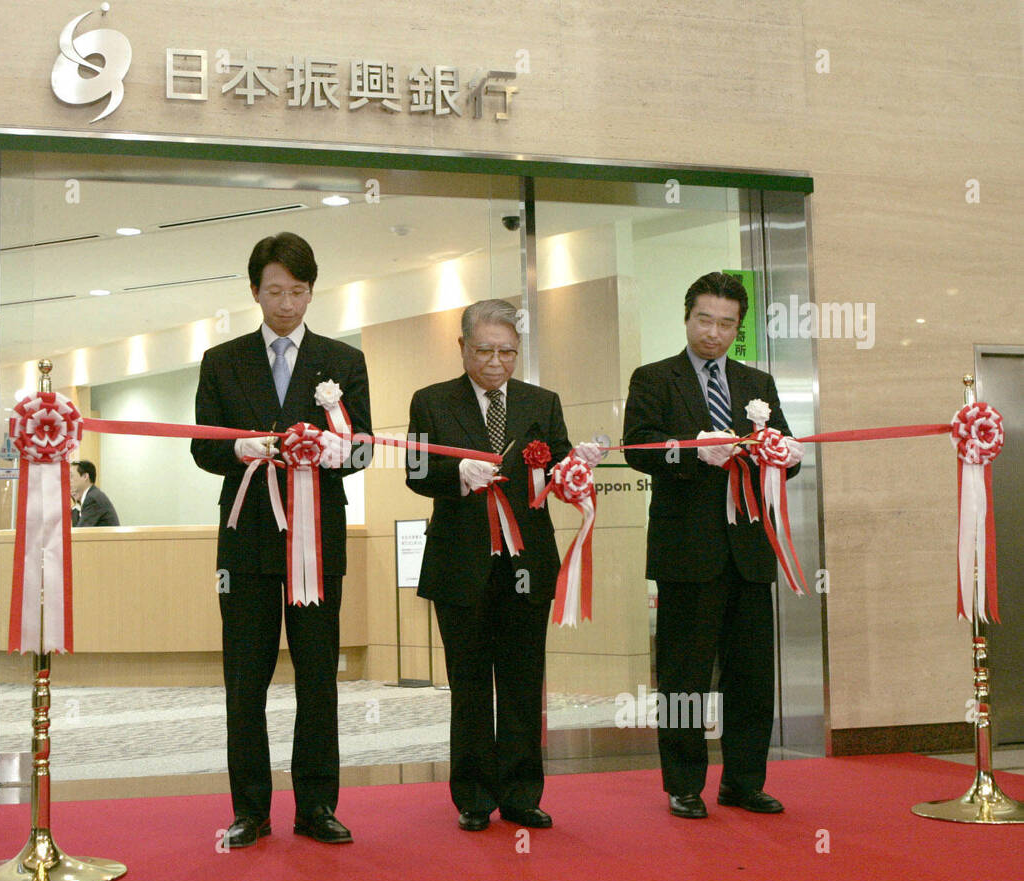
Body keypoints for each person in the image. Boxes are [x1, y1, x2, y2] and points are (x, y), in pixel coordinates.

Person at [191, 232, 371, 848]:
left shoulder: (342, 361)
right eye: (275, 291)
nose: (287, 304)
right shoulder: (223, 360)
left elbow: (365, 447)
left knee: (318, 677)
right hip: (247, 543)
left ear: (312, 290)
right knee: (246, 679)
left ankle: (317, 805)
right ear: (253, 291)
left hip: (317, 541)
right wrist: (236, 448)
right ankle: (250, 810)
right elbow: (201, 447)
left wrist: (331, 450)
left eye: (298, 292)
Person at [406, 298, 600, 832]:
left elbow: (557, 469)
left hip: (527, 562)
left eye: (507, 352)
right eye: (484, 350)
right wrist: (456, 476)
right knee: (469, 686)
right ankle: (472, 795)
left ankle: (521, 793)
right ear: (462, 346)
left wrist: (575, 473)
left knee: (521, 681)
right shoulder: (431, 401)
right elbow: (416, 472)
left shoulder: (543, 401)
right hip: (459, 562)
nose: (496, 363)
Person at [622, 271, 804, 819]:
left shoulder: (758, 383)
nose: (714, 333)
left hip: (750, 550)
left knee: (750, 675)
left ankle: (744, 781)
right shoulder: (655, 377)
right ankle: (683, 783)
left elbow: (786, 450)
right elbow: (639, 447)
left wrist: (785, 457)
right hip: (687, 550)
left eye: (727, 323)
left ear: (738, 327)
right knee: (684, 675)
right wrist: (690, 453)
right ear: (687, 317)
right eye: (705, 319)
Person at [69, 459, 119, 527]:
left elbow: (81, 533)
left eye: (71, 476)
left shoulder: (93, 499)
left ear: (85, 477)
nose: (68, 480)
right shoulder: (80, 502)